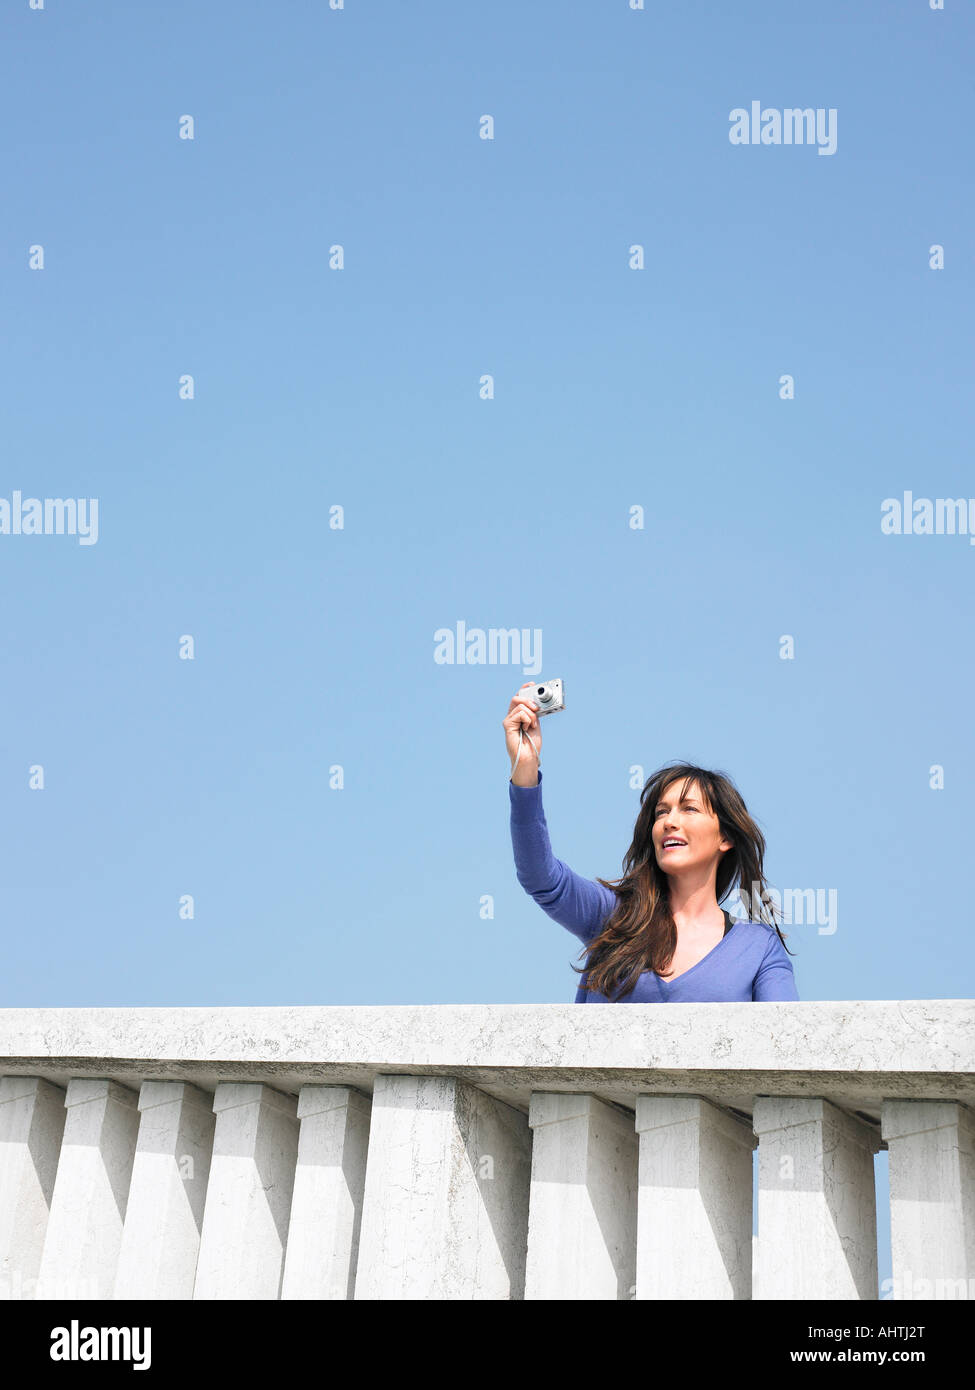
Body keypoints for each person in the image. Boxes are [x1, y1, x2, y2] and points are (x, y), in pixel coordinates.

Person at [504, 683, 798, 1003]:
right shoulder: (613, 918)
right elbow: (540, 876)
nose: (669, 821)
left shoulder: (758, 948)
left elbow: (785, 1043)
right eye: (661, 812)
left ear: (725, 837)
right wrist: (525, 767)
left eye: (689, 809)